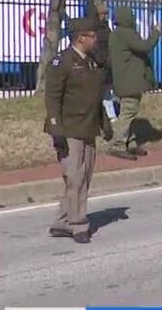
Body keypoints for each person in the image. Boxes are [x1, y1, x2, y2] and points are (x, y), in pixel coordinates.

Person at [45, 17, 117, 244]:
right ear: (81, 38)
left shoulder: (91, 62)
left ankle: (62, 221)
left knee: (83, 177)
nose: (96, 40)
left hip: (89, 127)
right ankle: (78, 225)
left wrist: (104, 122)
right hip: (69, 128)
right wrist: (56, 128)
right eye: (93, 36)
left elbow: (95, 98)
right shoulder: (62, 62)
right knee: (75, 177)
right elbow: (53, 97)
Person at [107, 6, 161, 158]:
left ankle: (129, 143)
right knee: (128, 112)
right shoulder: (126, 33)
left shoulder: (116, 34)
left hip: (123, 80)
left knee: (128, 111)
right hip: (129, 81)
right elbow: (144, 46)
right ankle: (118, 144)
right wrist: (156, 32)